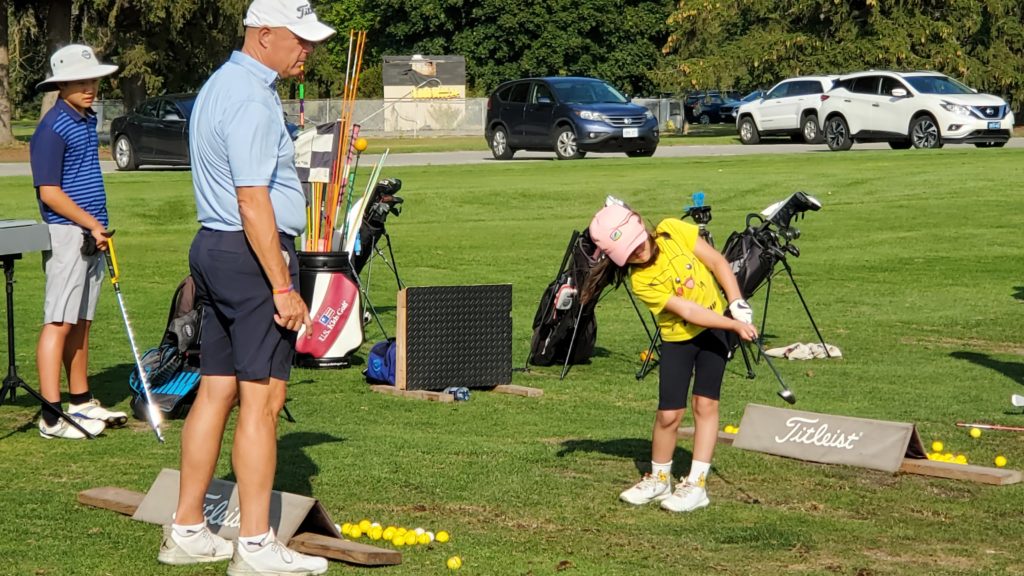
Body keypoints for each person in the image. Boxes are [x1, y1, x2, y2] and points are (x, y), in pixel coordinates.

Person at [157, 1, 333, 573]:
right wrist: (283, 286)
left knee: (217, 388)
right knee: (264, 399)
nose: (306, 49)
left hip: (213, 247)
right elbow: (252, 199)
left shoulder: (217, 85)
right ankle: (254, 545)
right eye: (298, 38)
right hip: (251, 253)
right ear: (262, 37)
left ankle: (187, 528)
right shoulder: (254, 99)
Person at [585, 201, 758, 512]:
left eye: (638, 244)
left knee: (705, 404)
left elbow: (718, 263)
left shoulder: (673, 229)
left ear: (641, 226)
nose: (638, 253)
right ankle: (660, 479)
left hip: (715, 332)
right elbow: (688, 311)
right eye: (629, 253)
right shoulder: (641, 281)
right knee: (668, 415)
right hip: (680, 339)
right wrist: (734, 324)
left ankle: (696, 484)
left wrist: (736, 302)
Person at [30, 44, 127, 440]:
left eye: (93, 81)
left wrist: (96, 227)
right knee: (59, 321)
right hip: (68, 232)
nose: (90, 88)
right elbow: (49, 192)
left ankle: (81, 399)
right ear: (61, 85)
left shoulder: (85, 119)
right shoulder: (51, 128)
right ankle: (52, 416)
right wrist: (90, 224)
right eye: (80, 82)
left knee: (82, 321)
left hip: (91, 231)